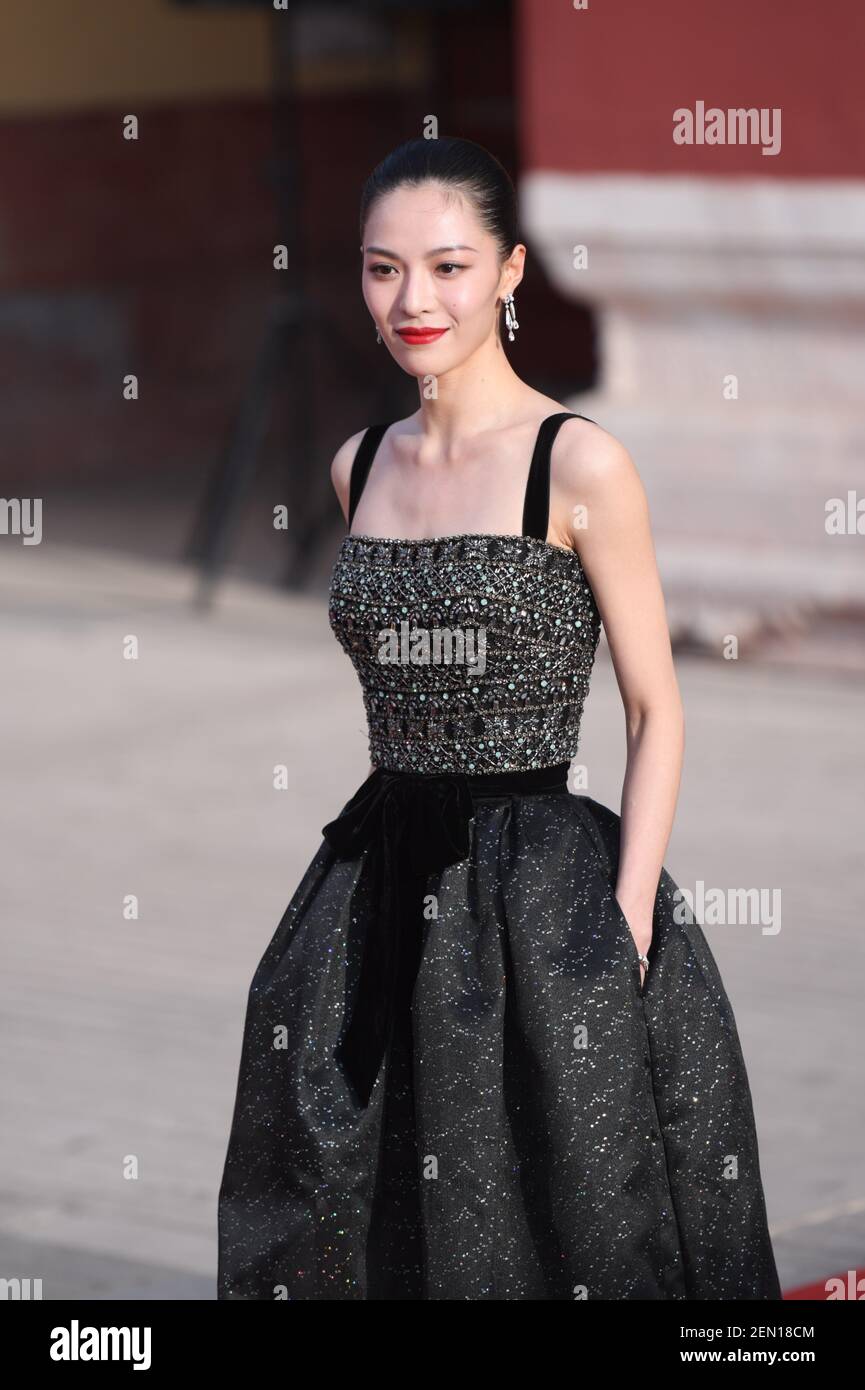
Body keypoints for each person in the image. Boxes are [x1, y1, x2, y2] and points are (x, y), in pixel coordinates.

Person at [217, 135, 782, 1301]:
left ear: (511, 272)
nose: (412, 300)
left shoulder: (578, 463)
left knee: (553, 1217)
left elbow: (651, 704)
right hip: (369, 886)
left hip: (540, 895)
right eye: (381, 270)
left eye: (447, 266)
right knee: (345, 1208)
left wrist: (623, 926)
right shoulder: (356, 462)